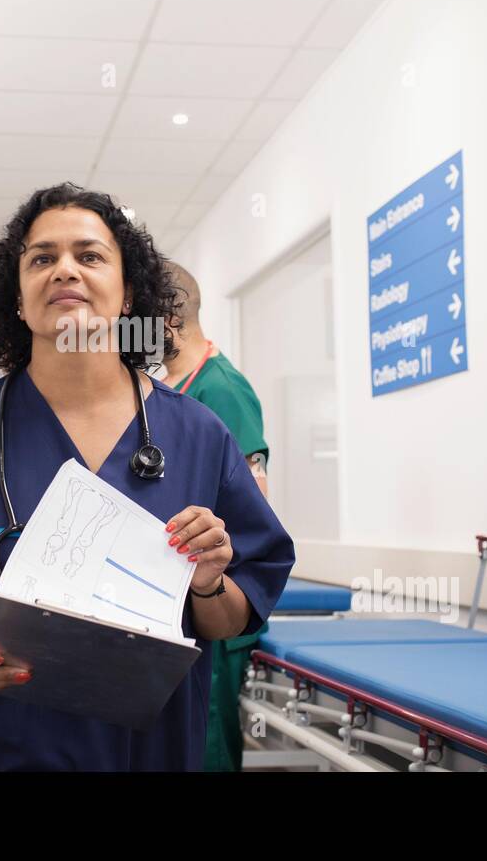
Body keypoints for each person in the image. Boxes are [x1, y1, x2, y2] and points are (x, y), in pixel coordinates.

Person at [0, 182, 294, 770]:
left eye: (89, 256)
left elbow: (230, 618)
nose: (65, 270)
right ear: (17, 297)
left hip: (151, 750)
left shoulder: (201, 437)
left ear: (128, 290)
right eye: (42, 258)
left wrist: (209, 582)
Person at [162, 262, 272, 773]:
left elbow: (254, 507)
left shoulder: (220, 387)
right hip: (173, 600)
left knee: (206, 749)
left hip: (215, 602)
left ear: (163, 319)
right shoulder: (172, 387)